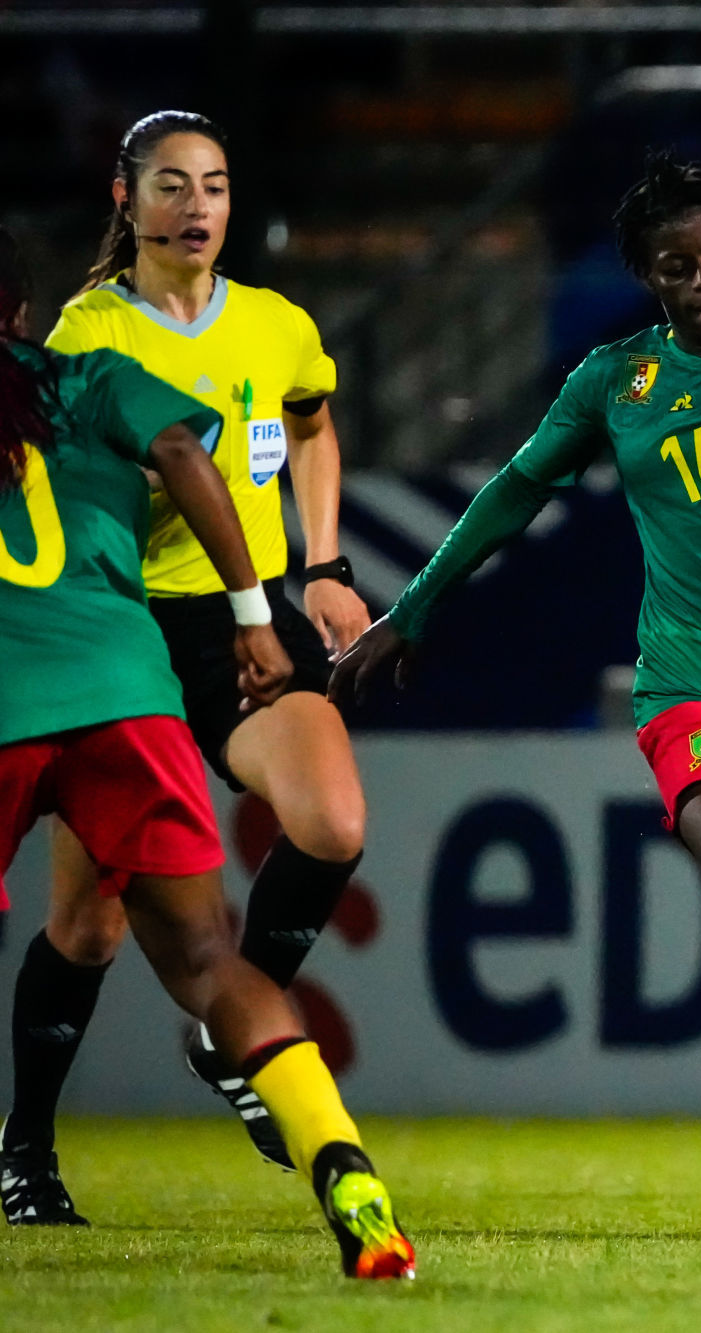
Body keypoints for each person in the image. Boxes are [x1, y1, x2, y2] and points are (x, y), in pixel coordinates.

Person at [330, 151, 701, 1228]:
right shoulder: (614, 381)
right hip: (692, 687)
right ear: (648, 279)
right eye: (675, 266)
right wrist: (412, 607)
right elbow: (516, 487)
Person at [0, 228, 413, 1277]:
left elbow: (300, 425)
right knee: (189, 956)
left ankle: (27, 1153)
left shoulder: (239, 329)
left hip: (30, 683)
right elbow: (186, 452)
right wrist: (254, 612)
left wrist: (310, 570)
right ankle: (341, 1161)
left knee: (306, 832)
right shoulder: (86, 366)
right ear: (20, 313)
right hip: (126, 686)